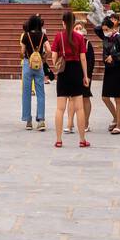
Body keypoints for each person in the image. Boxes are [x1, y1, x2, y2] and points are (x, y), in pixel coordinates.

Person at [50, 10, 90, 148]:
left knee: (60, 108)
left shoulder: (58, 36)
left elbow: (54, 56)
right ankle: (82, 139)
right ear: (73, 23)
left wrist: (57, 66)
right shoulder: (79, 38)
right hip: (76, 71)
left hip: (63, 72)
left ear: (63, 23)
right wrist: (85, 76)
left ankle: (59, 140)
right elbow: (83, 58)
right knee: (79, 108)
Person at [95, 14, 120, 134]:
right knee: (105, 97)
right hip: (108, 71)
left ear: (112, 29)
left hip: (117, 70)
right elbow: (96, 29)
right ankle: (116, 117)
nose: (104, 32)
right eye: (104, 30)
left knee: (118, 99)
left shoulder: (118, 38)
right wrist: (106, 20)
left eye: (106, 30)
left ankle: (119, 125)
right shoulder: (105, 38)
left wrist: (113, 57)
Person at [19, 14, 48, 130]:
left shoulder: (25, 36)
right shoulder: (43, 35)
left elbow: (22, 52)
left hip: (27, 64)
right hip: (39, 65)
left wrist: (24, 56)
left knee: (26, 93)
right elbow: (49, 49)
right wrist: (43, 58)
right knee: (40, 93)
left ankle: (28, 121)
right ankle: (41, 120)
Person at [69, 19, 95, 135]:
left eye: (80, 28)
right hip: (73, 74)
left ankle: (86, 122)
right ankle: (70, 123)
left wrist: (88, 76)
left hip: (85, 75)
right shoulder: (70, 42)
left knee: (85, 98)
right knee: (71, 98)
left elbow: (91, 61)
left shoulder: (87, 43)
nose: (79, 30)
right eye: (76, 28)